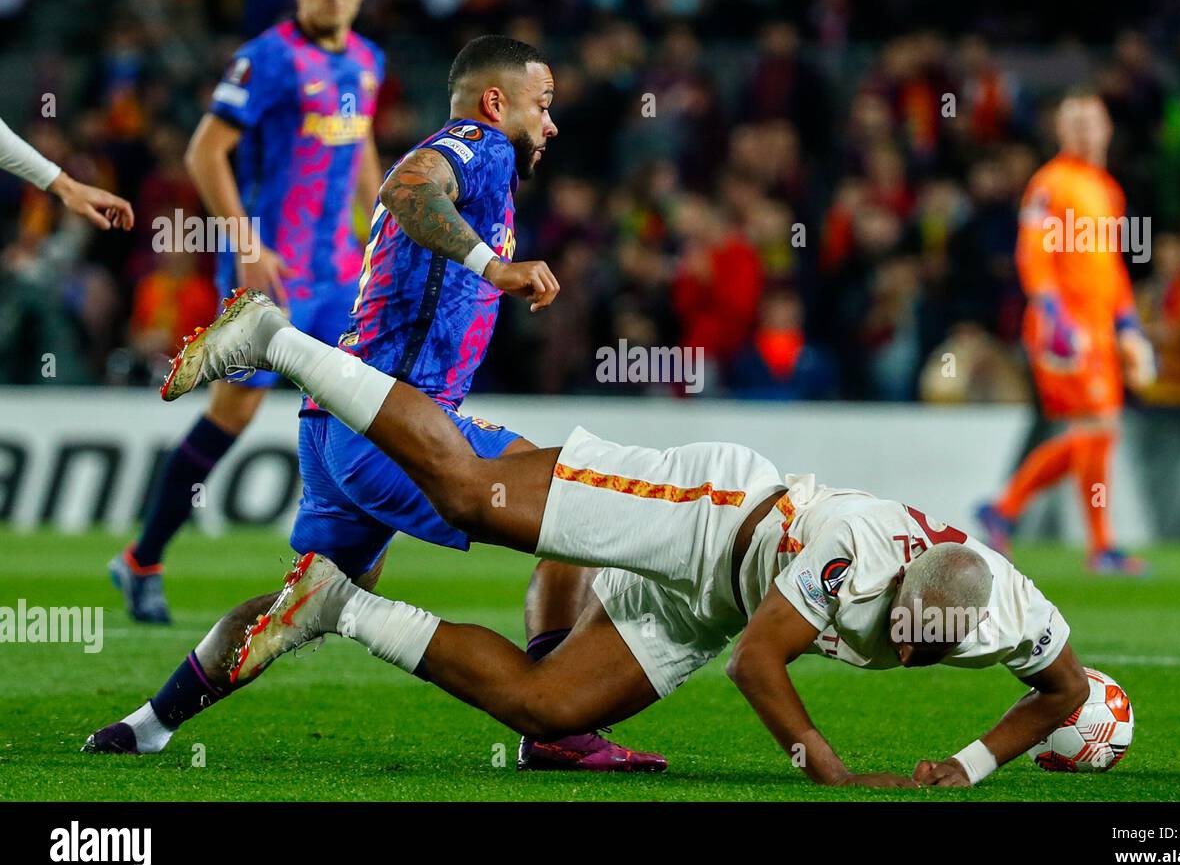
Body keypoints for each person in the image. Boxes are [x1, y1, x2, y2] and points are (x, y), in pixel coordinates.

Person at [131, 288, 1090, 789]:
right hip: (707, 510)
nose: (914, 652)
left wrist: (964, 768)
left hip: (714, 598)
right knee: (468, 497)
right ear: (910, 578)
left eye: (933, 648)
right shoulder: (864, 552)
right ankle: (276, 341)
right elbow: (761, 666)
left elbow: (1066, 693)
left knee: (546, 713)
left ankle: (339, 604)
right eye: (913, 630)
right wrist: (830, 769)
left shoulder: (1012, 612)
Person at [85, 36, 664, 772]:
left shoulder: (481, 164)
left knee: (311, 598)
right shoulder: (477, 144)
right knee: (576, 504)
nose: (551, 125)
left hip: (337, 429)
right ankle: (556, 723)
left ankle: (149, 723)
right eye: (542, 106)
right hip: (399, 429)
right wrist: (497, 266)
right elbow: (404, 190)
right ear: (496, 102)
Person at [107, 0, 384, 623]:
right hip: (276, 271)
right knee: (235, 413)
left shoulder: (368, 61)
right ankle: (142, 559)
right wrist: (247, 244)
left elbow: (363, 147)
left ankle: (342, 579)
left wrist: (381, 236)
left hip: (343, 272)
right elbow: (205, 152)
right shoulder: (266, 58)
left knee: (366, 417)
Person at [977, 92, 1155, 575]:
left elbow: (1111, 267)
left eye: (1090, 121)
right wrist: (1053, 314)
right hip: (1064, 327)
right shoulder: (1049, 183)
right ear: (1060, 131)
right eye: (1072, 121)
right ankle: (1100, 547)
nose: (1082, 130)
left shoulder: (1107, 190)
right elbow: (1032, 254)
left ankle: (1004, 511)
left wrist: (1129, 326)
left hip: (1098, 326)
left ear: (1107, 129)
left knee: (1096, 432)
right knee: (1098, 427)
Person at [0, 115, 134, 231]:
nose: (44, 142)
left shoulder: (81, 167)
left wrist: (67, 188)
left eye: (49, 135)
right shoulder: (13, 182)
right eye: (39, 134)